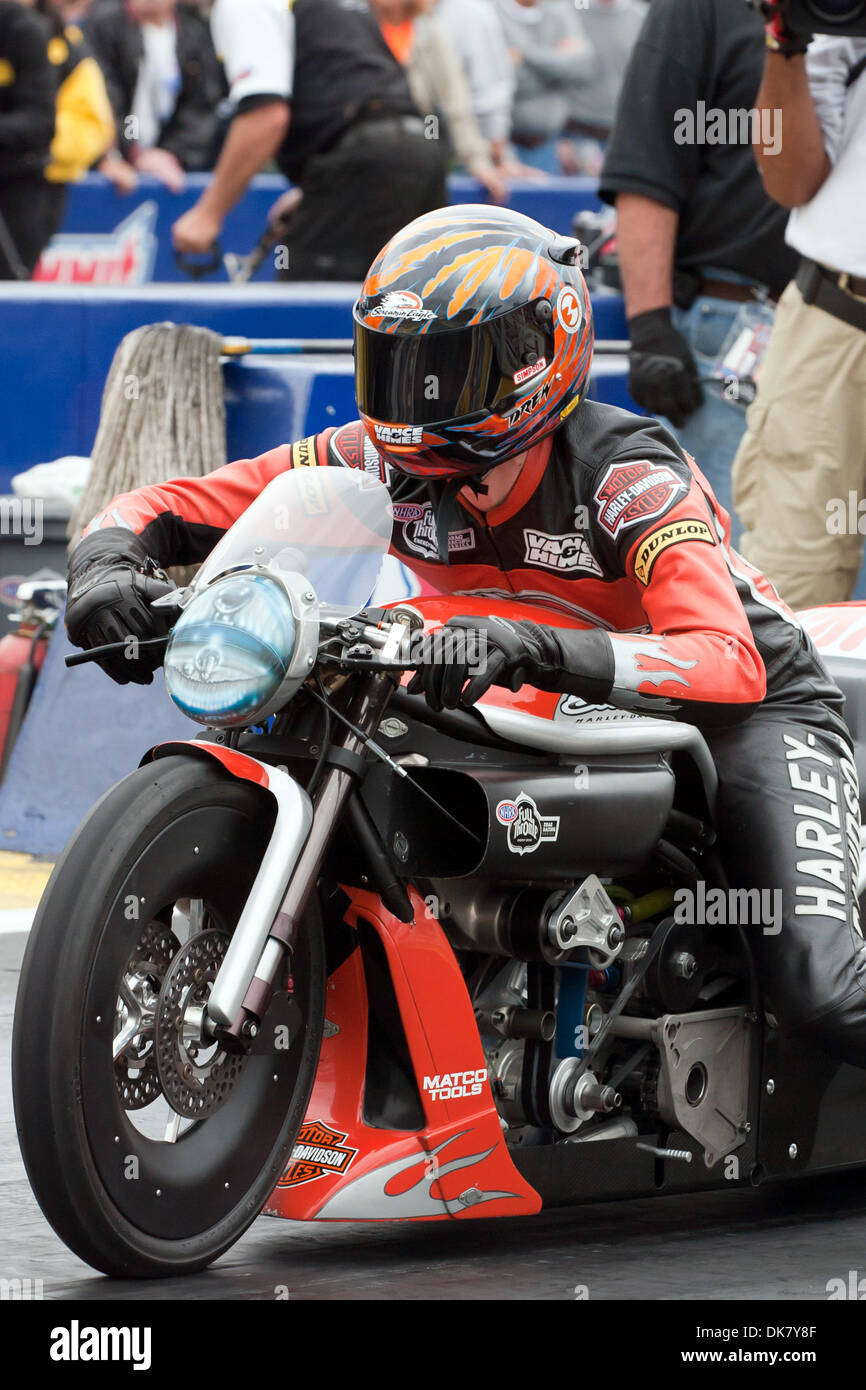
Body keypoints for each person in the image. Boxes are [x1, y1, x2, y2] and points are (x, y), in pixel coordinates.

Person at [65, 205, 866, 1070]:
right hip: (530, 672)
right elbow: (171, 506)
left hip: (740, 708)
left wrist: (536, 646)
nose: (412, 401)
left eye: (442, 371)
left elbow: (727, 660)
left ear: (534, 359)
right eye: (396, 365)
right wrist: (106, 567)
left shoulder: (627, 478)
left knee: (822, 993)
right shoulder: (377, 461)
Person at [599, 0, 799, 533]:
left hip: (839, 327)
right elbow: (646, 172)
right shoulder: (698, 8)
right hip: (733, 328)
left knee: (841, 584)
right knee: (739, 574)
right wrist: (650, 330)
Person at [732, 4, 866, 609]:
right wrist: (785, 35)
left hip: (833, 329)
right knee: (792, 599)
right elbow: (788, 180)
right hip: (837, 319)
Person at [172, 0, 448, 281]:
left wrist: (207, 214)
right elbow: (365, 90)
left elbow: (266, 116)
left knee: (307, 318)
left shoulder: (244, 4)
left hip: (370, 167)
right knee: (410, 313)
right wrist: (317, 184)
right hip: (419, 156)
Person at [84, 0, 226, 195]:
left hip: (170, 168)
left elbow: (201, 106)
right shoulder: (103, 24)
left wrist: (171, 154)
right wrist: (131, 153)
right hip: (113, 165)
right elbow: (112, 100)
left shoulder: (195, 31)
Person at [371, 0, 507, 204]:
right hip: (369, 153)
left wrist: (478, 162)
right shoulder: (357, 26)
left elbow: (455, 102)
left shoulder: (430, 31)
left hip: (417, 151)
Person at [37, 0, 114, 239]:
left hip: (50, 174)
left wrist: (129, 150)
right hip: (34, 173)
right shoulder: (108, 25)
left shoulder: (190, 29)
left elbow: (126, 110)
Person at [493, 0, 596, 173]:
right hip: (504, 148)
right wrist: (557, 66)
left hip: (551, 146)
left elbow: (584, 69)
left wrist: (525, 55)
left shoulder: (561, 11)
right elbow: (505, 77)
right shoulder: (491, 12)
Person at [0, 0, 57, 278]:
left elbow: (42, 121)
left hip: (18, 186)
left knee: (11, 292)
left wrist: (127, 148)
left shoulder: (26, 31)